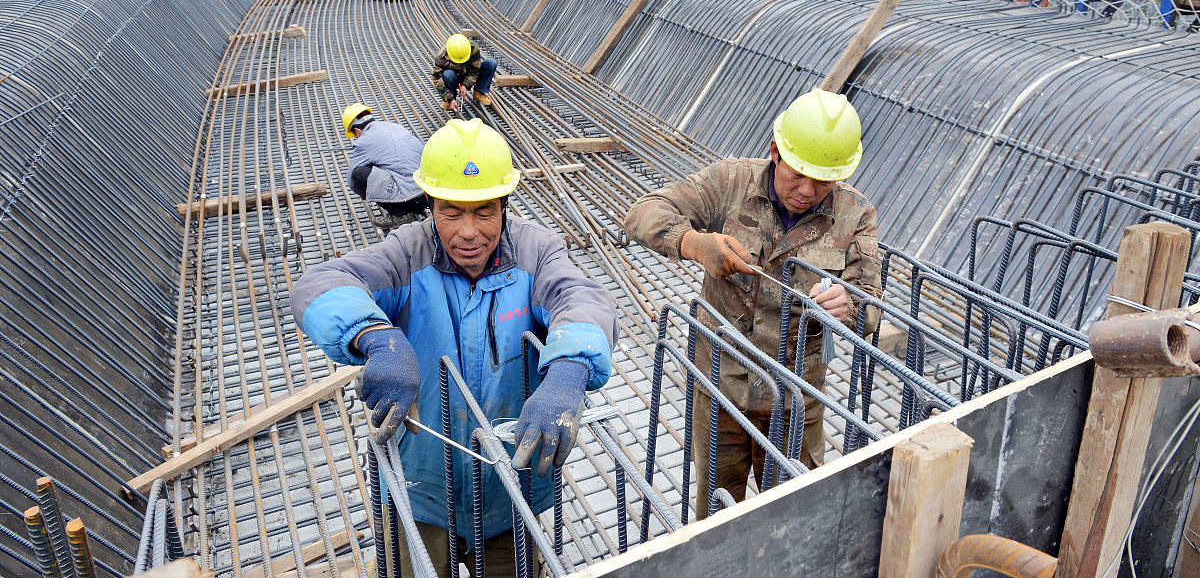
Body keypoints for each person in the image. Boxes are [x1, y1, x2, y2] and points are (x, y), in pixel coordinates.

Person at [292, 118, 619, 577]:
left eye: (484, 211)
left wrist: (570, 368)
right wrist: (377, 337)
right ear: (429, 205)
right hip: (421, 485)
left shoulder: (536, 252)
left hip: (509, 486)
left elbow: (579, 297)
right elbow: (321, 283)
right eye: (451, 211)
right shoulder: (407, 253)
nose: (468, 231)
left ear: (505, 204)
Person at [623, 88, 881, 517]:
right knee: (717, 516)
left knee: (793, 515)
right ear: (776, 151)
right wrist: (693, 242)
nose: (807, 190)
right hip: (720, 390)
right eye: (798, 173)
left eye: (823, 180)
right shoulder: (730, 182)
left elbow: (872, 305)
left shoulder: (856, 215)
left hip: (796, 400)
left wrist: (848, 308)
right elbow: (641, 213)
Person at [341, 104, 426, 228]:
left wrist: (364, 192)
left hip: (410, 200)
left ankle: (399, 213)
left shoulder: (364, 141)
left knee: (358, 174)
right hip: (428, 193)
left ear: (357, 131)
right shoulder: (395, 126)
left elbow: (352, 181)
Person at [432, 33, 497, 110]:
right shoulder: (441, 57)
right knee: (447, 74)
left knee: (491, 63)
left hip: (469, 75)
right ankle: (451, 101)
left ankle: (479, 92)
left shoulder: (473, 49)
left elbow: (475, 70)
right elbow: (437, 79)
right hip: (454, 78)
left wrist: (466, 85)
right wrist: (449, 98)